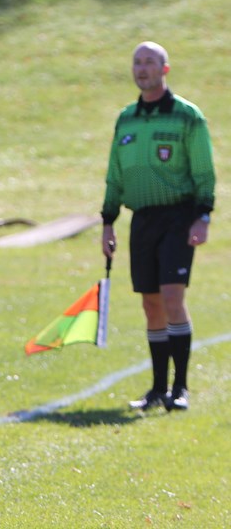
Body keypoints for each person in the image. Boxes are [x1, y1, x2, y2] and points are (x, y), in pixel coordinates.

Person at [100, 41, 215, 413]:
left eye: (150, 62)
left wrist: (203, 216)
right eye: (137, 62)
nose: (142, 68)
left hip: (179, 217)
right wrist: (108, 221)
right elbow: (115, 174)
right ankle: (156, 388)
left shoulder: (187, 116)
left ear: (164, 69)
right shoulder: (127, 118)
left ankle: (180, 389)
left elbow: (204, 171)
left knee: (171, 298)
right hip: (143, 220)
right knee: (151, 306)